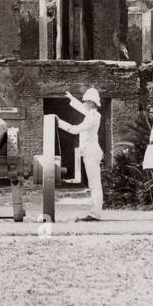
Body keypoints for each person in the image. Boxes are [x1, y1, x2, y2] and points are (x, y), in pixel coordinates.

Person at [57, 87, 103, 221]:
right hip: (90, 151)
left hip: (91, 152)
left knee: (94, 184)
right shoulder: (92, 114)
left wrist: (59, 122)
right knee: (94, 184)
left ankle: (95, 214)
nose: (83, 104)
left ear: (91, 103)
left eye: (85, 101)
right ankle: (95, 213)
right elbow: (81, 109)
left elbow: (74, 130)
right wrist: (72, 98)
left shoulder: (93, 117)